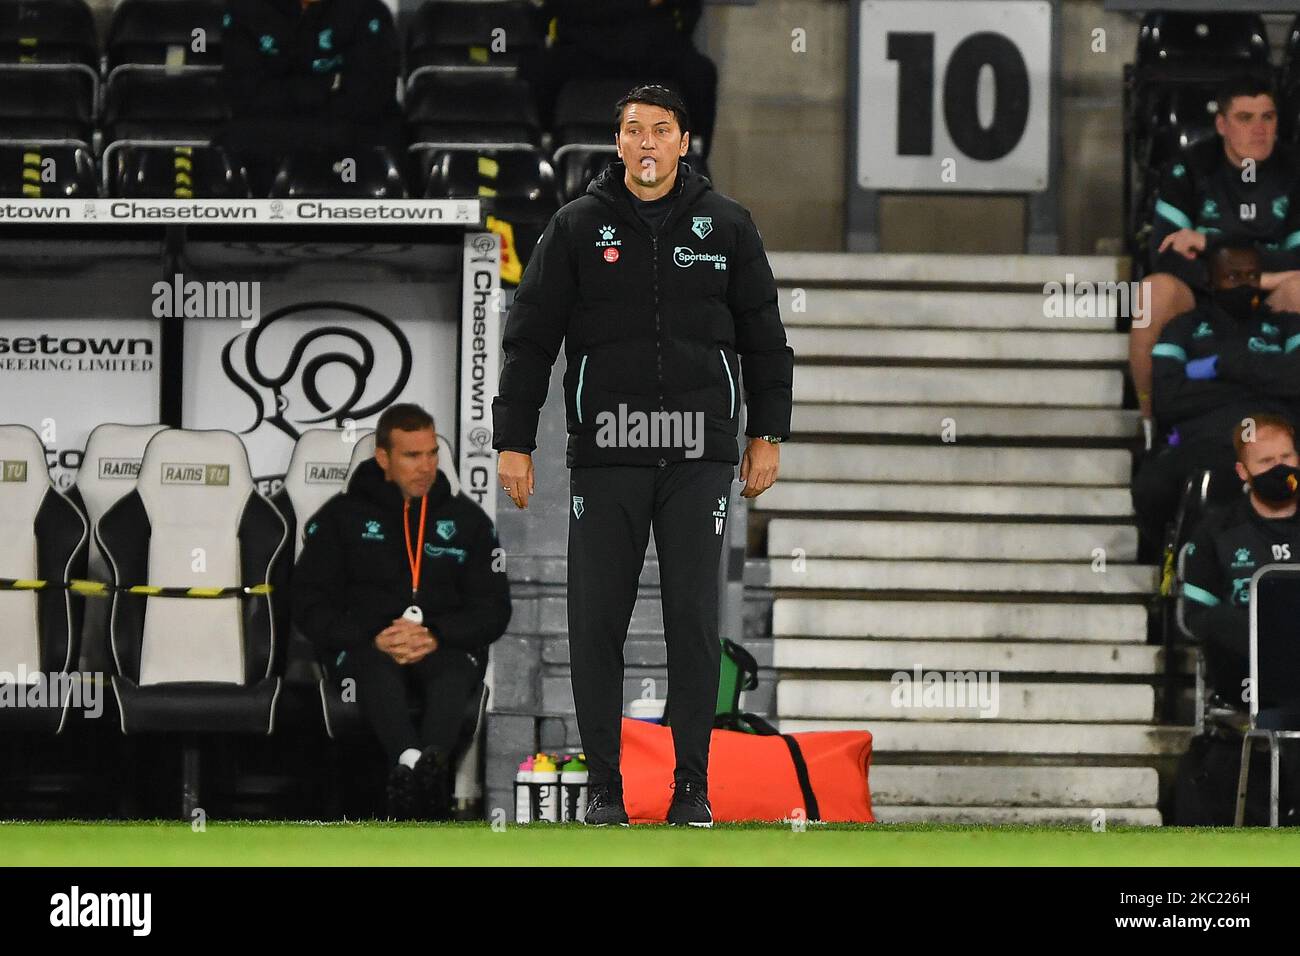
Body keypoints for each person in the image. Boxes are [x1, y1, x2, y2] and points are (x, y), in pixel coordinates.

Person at [492, 84, 793, 826]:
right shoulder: (573, 228)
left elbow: (764, 338)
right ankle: (604, 788)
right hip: (608, 452)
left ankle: (691, 786)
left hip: (698, 456)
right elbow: (530, 340)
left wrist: (768, 433)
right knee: (598, 624)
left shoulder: (728, 226)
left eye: (662, 130)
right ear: (617, 144)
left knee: (694, 622)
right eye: (634, 131)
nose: (648, 142)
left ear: (684, 143)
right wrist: (514, 440)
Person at [293, 404, 511, 819]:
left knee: (452, 672)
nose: (425, 466)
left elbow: (494, 609)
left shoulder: (468, 521)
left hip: (444, 646)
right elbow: (308, 603)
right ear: (384, 459)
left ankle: (421, 769)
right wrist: (372, 634)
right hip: (363, 647)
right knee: (375, 667)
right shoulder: (341, 519)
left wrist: (436, 634)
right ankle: (416, 768)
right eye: (412, 456)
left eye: (431, 453)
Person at [1131, 75, 1300, 437]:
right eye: (1245, 118)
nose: (1259, 129)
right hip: (1205, 291)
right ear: (1221, 124)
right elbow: (1165, 256)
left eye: (1268, 117)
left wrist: (1210, 246)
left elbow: (1298, 259)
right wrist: (1244, 272)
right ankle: (1150, 428)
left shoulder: (1294, 168)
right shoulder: (1190, 166)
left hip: (1274, 291)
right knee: (1150, 294)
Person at [1132, 243, 1300, 547]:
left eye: (1252, 276)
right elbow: (1168, 399)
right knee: (1151, 485)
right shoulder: (1182, 328)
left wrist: (1222, 366)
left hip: (1280, 442)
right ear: (1210, 281)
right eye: (1233, 277)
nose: (1245, 284)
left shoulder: (1286, 325)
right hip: (1205, 441)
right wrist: (1262, 380)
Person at [1182, 414, 1300, 727]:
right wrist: (1267, 637)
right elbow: (1197, 617)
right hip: (1248, 673)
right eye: (1266, 461)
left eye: (1286, 457)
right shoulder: (1215, 531)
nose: (1280, 468)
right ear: (1243, 472)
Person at [217, 0, 405, 195]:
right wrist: (327, 84)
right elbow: (245, 97)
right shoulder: (244, 10)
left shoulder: (368, 10)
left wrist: (287, 89)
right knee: (233, 143)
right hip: (268, 135)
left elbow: (369, 98)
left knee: (383, 137)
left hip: (354, 133)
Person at [520, 0, 717, 158]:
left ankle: (692, 155)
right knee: (537, 70)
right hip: (583, 46)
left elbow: (689, 12)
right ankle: (541, 154)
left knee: (700, 74)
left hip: (653, 48)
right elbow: (559, 10)